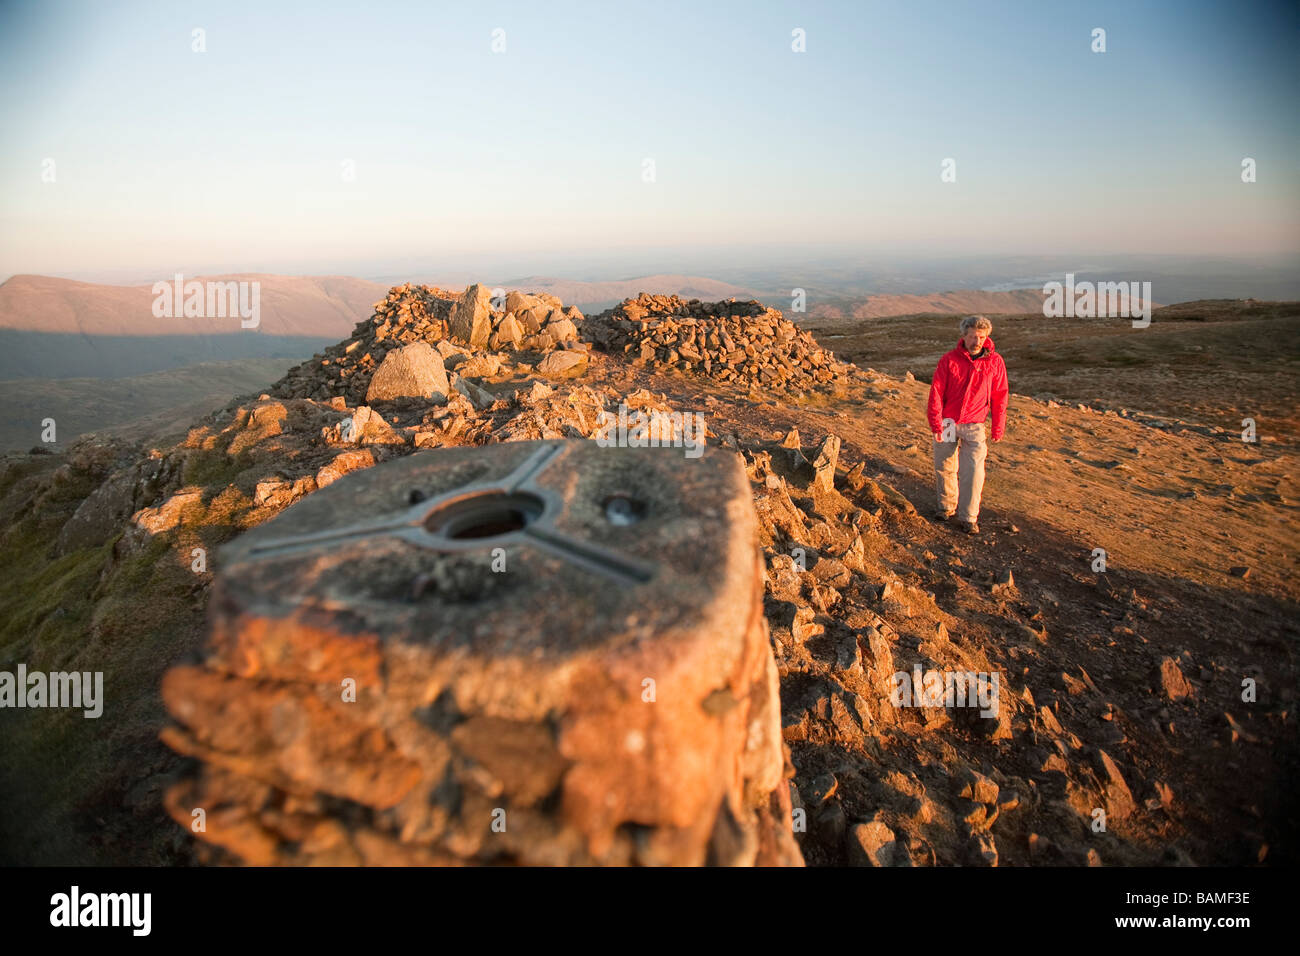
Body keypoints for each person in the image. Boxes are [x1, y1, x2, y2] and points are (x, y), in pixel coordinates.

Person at [926, 315, 1009, 535]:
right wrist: (936, 424)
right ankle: (946, 507)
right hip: (948, 422)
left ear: (987, 336)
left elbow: (1001, 395)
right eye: (973, 336)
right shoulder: (949, 360)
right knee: (944, 466)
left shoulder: (995, 362)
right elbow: (936, 392)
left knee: (973, 471)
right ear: (964, 336)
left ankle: (969, 517)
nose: (977, 341)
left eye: (981, 336)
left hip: (975, 424)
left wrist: (998, 426)